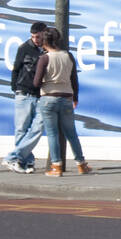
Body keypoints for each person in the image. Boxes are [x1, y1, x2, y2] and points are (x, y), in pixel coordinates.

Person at [33, 27, 92, 177]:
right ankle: (82, 164)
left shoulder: (44, 58)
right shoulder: (68, 56)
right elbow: (74, 79)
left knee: (53, 134)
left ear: (45, 41)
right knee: (71, 133)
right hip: (67, 98)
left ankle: (56, 166)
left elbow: (36, 82)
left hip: (49, 98)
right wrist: (75, 97)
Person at [2, 22, 47, 174]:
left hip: (40, 95)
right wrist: (15, 88)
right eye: (33, 37)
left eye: (38, 37)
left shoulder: (47, 50)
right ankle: (25, 161)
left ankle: (15, 158)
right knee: (22, 129)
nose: (35, 40)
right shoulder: (24, 48)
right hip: (24, 93)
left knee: (37, 128)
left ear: (44, 34)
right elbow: (16, 69)